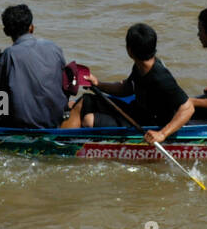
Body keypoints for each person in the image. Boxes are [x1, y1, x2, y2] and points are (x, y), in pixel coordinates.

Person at [60, 24, 195, 144]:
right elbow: (126, 88)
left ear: (130, 50)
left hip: (148, 124)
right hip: (136, 112)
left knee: (89, 120)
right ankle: (60, 139)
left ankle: (63, 147)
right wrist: (98, 84)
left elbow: (188, 108)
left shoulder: (160, 77)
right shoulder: (140, 66)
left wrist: (162, 134)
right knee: (86, 100)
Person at [0, 4, 68, 128]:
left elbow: (0, 98)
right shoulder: (54, 48)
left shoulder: (9, 54)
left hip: (22, 124)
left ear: (6, 32)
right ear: (32, 28)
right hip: (55, 120)